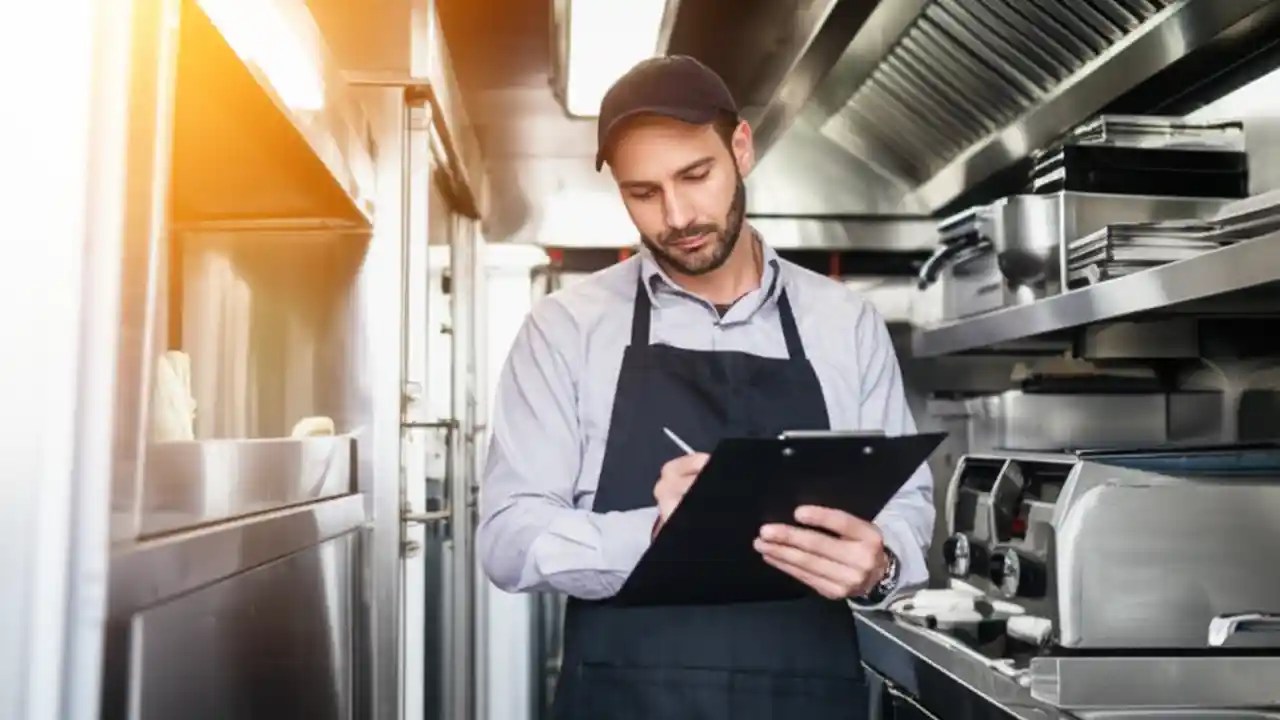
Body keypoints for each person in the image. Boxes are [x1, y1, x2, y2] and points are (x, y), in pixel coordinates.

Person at [478, 55, 934, 720]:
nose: (678, 214)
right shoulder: (565, 330)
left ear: (740, 148)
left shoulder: (845, 324)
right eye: (643, 192)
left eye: (696, 175)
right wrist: (659, 533)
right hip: (626, 698)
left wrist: (882, 565)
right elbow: (508, 537)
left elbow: (907, 504)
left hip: (804, 699)